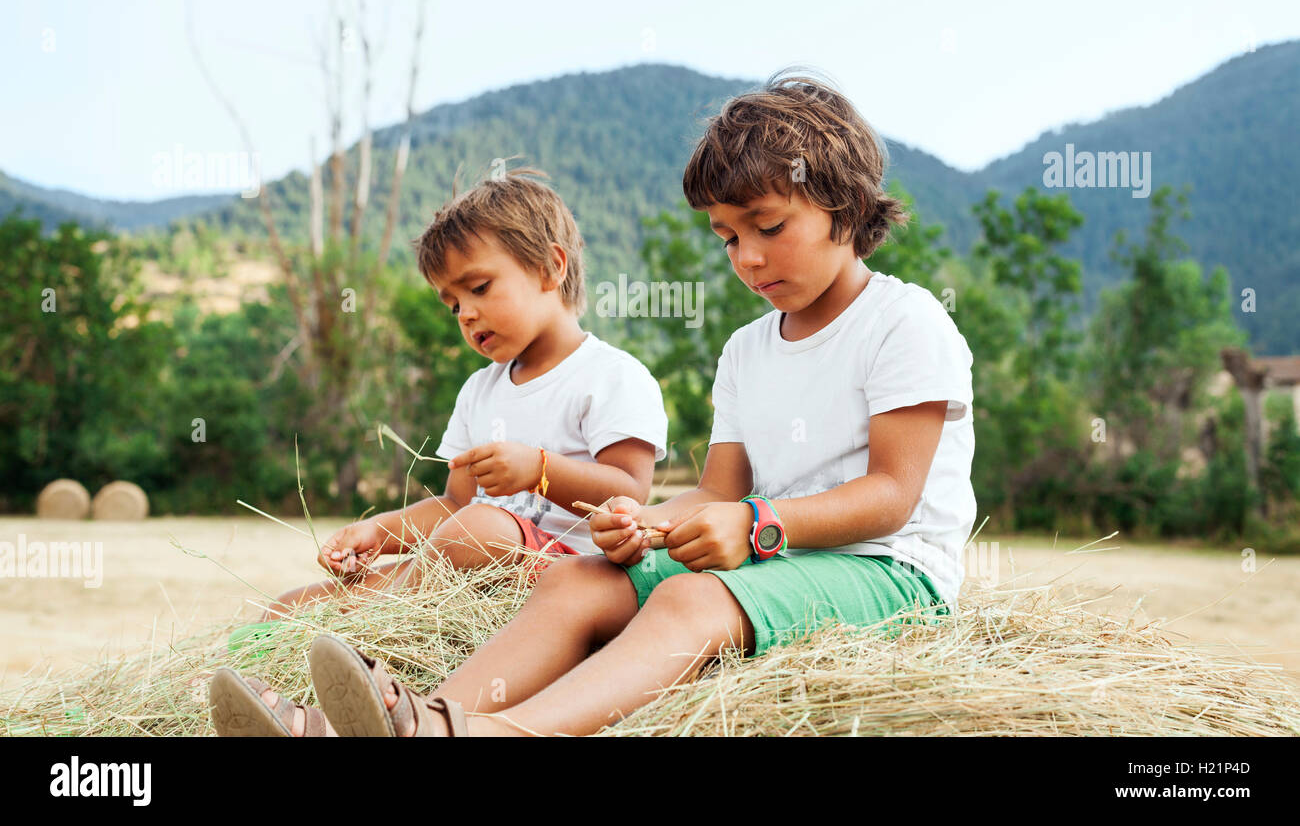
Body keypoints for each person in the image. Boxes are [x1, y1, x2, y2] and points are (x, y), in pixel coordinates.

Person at [213, 70, 975, 737]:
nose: (746, 258)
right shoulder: (747, 351)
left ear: (843, 202)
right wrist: (645, 523)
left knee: (688, 602)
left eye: (768, 228)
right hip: (776, 559)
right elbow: (718, 489)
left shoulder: (903, 322)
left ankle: (495, 734)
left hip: (888, 570)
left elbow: (891, 497)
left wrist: (758, 525)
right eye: (725, 239)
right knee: (576, 580)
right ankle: (422, 721)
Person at [210, 166, 667, 737]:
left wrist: (541, 470)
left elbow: (631, 491)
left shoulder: (612, 377)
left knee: (485, 527)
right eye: (451, 304)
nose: (466, 314)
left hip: (568, 571)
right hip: (462, 564)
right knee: (289, 605)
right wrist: (378, 532)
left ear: (552, 266)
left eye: (479, 289)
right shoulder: (480, 390)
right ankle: (273, 701)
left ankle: (385, 687)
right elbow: (452, 506)